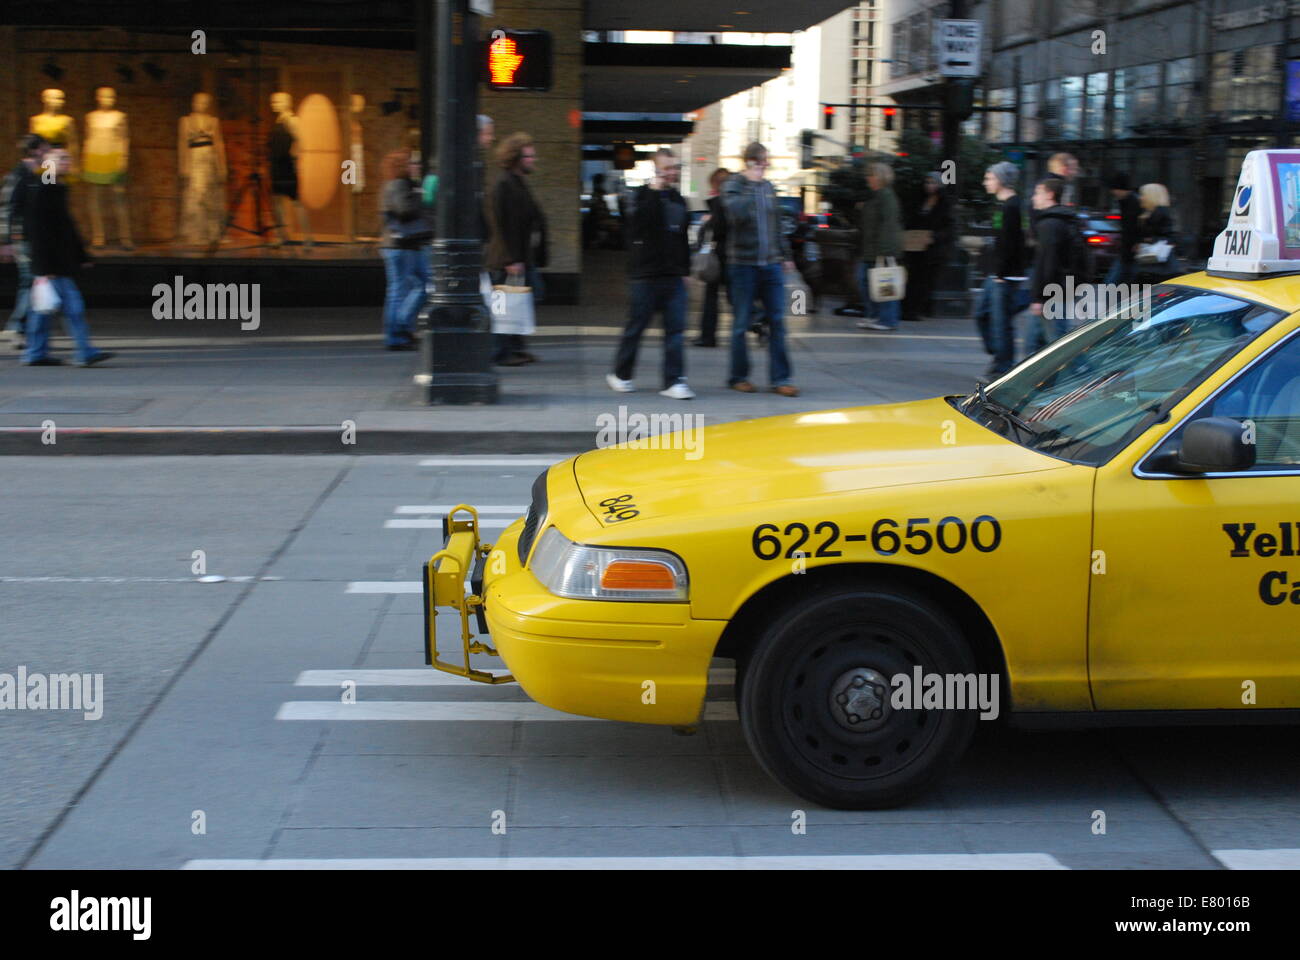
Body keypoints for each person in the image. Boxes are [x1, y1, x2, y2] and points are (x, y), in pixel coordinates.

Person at [607, 148, 693, 400]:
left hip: (673, 276)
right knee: (636, 327)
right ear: (655, 170)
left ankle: (673, 381)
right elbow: (637, 227)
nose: (672, 173)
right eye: (667, 168)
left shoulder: (678, 199)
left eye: (675, 167)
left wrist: (685, 270)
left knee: (675, 331)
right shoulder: (641, 196)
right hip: (644, 275)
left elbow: (682, 238)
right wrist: (654, 191)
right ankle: (621, 374)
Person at [720, 142, 799, 397]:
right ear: (751, 161)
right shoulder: (735, 185)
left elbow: (777, 226)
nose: (767, 165)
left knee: (777, 321)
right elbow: (735, 216)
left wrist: (785, 255)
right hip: (743, 264)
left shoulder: (769, 187)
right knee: (741, 323)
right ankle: (738, 376)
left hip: (771, 265)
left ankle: (781, 379)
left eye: (767, 161)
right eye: (764, 160)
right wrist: (751, 186)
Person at [21, 148, 112, 367]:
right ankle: (84, 351)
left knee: (41, 310)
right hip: (52, 264)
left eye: (68, 158)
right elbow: (37, 228)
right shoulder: (46, 186)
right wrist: (43, 266)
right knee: (73, 307)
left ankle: (35, 353)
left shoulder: (54, 187)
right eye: (61, 158)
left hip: (53, 262)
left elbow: (66, 226)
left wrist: (81, 255)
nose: (67, 162)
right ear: (48, 162)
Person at [484, 132, 545, 366]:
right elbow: (499, 224)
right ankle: (500, 351)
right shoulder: (503, 185)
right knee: (503, 308)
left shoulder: (518, 183)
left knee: (523, 301)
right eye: (529, 156)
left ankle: (516, 347)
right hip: (505, 259)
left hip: (521, 256)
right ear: (516, 157)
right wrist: (511, 258)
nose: (533, 160)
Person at [973, 161, 1028, 378]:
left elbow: (1013, 242)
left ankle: (1003, 366)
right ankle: (999, 355)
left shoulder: (1013, 206)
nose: (985, 182)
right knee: (982, 315)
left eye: (989, 178)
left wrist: (1001, 273)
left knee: (1001, 321)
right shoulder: (1004, 205)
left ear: (1001, 180)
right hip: (997, 273)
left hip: (1005, 275)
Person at [378, 149, 433, 351]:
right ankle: (397, 335)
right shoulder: (398, 185)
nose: (417, 166)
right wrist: (420, 196)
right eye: (413, 163)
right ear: (404, 166)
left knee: (422, 285)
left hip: (410, 245)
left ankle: (403, 327)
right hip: (400, 246)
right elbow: (404, 210)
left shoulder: (404, 185)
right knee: (400, 290)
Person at [1025, 177, 1083, 355]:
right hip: (1062, 288)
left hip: (1052, 293)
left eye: (1038, 193)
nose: (1034, 197)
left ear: (1050, 195)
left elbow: (1047, 262)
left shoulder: (1049, 224)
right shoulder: (1065, 219)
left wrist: (1040, 298)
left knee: (1059, 348)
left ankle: (1090, 377)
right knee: (1039, 342)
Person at [1, 134, 48, 350]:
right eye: (44, 149)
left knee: (30, 283)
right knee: (30, 282)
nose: (47, 154)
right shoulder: (19, 175)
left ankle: (23, 329)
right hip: (22, 239)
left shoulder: (37, 175)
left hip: (32, 238)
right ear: (35, 151)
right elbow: (7, 210)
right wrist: (6, 241)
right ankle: (17, 328)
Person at [856, 162, 905, 332]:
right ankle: (875, 316)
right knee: (868, 283)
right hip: (871, 249)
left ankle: (887, 319)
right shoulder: (877, 196)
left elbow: (888, 224)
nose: (868, 178)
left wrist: (885, 251)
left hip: (881, 251)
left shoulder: (886, 196)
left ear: (880, 177)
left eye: (871, 175)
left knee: (885, 286)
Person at [901, 170, 953, 323]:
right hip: (916, 246)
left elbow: (949, 227)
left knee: (924, 280)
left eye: (933, 182)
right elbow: (911, 219)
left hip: (932, 249)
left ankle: (916, 309)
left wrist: (934, 236)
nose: (929, 185)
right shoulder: (919, 200)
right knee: (912, 277)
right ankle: (907, 308)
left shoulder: (945, 203)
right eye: (927, 182)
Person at [693, 166, 730, 347]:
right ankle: (759, 320)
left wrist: (708, 223)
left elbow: (719, 230)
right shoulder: (732, 201)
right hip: (732, 256)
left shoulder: (720, 202)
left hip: (721, 257)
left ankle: (708, 336)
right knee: (733, 297)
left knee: (712, 296)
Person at [1136, 182, 1178, 281]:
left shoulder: (1159, 213)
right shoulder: (1152, 213)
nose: (1140, 198)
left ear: (1151, 196)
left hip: (1158, 263)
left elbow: (1166, 235)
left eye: (1143, 195)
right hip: (1155, 263)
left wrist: (1148, 239)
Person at [1106, 172, 1140, 286]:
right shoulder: (1125, 202)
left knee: (1112, 283)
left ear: (1121, 188)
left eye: (1114, 189)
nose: (1113, 192)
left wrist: (1138, 242)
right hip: (1127, 252)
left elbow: (1136, 227)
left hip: (1132, 253)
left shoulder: (1134, 203)